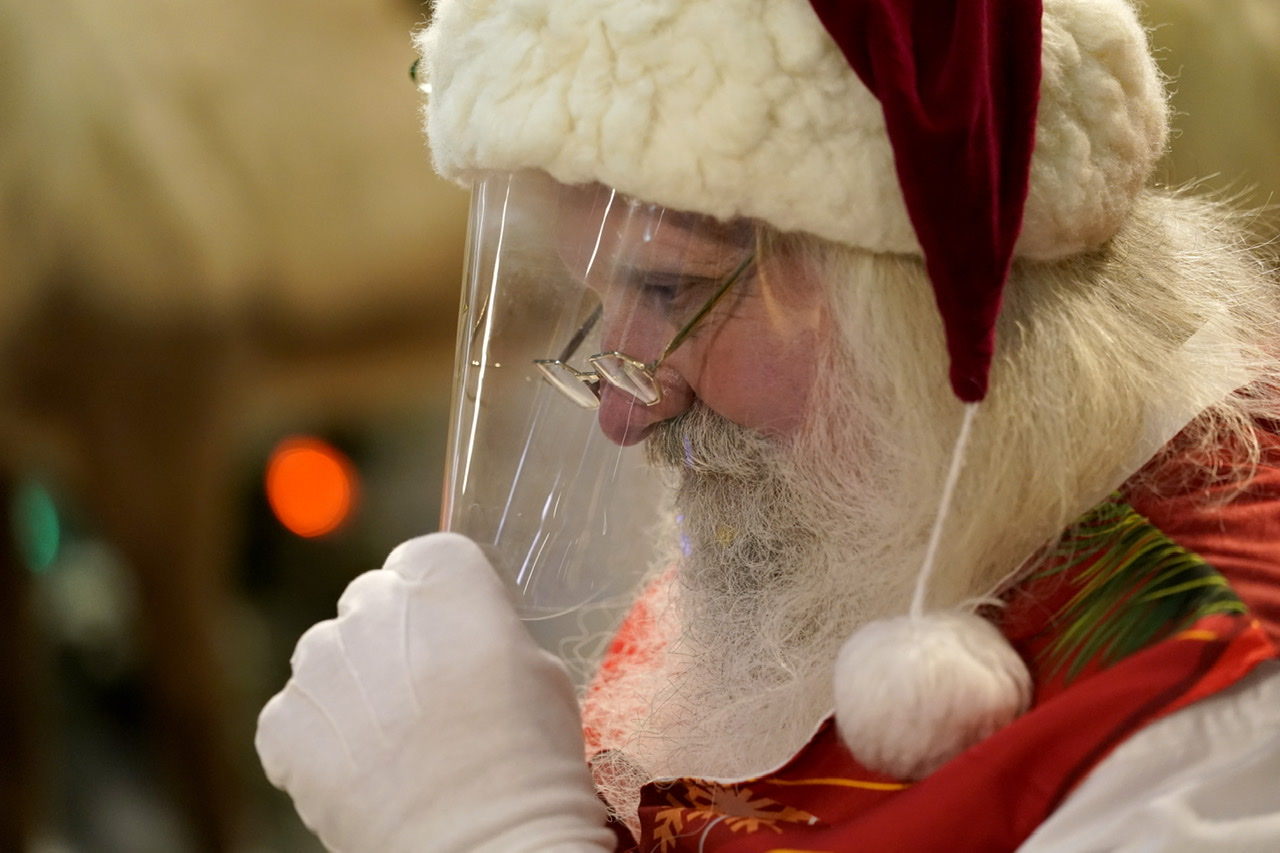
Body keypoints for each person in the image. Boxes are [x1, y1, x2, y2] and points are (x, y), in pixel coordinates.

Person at [255, 0, 1280, 850]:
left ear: (925, 297)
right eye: (597, 301)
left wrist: (485, 831)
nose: (621, 409)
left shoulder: (1218, 706)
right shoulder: (866, 520)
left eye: (669, 290)